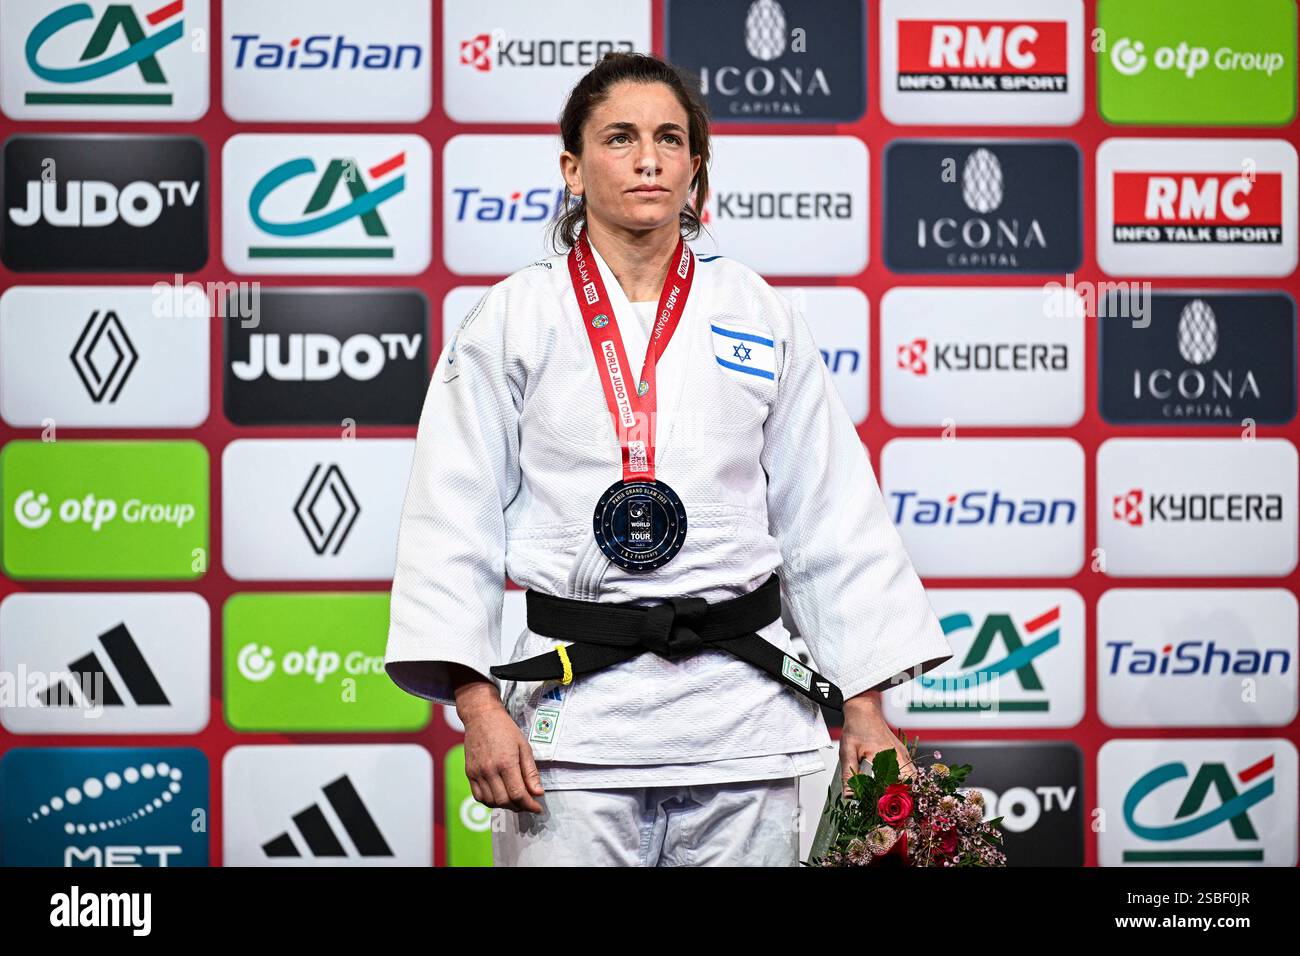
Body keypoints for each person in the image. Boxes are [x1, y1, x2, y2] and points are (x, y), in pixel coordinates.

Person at [384, 51, 953, 867]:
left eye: (669, 139)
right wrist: (477, 705)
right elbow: (450, 521)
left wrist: (864, 705)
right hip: (574, 739)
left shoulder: (761, 315)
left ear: (695, 169)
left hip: (748, 730)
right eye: (620, 138)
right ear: (572, 170)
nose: (648, 157)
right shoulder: (511, 321)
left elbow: (827, 516)